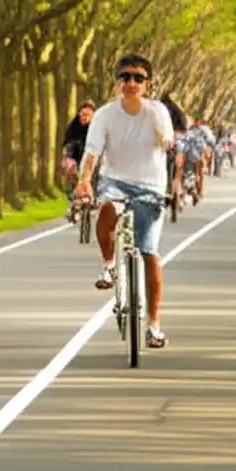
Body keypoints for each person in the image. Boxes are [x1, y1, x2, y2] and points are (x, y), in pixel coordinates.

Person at [76, 54, 175, 349]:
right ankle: (108, 264)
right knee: (107, 208)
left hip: (151, 185)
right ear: (118, 82)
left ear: (148, 83)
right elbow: (92, 152)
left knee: (149, 252)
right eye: (125, 77)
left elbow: (167, 141)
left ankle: (154, 324)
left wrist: (162, 130)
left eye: (138, 78)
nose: (131, 83)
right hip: (115, 181)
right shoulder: (105, 114)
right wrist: (84, 180)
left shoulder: (157, 111)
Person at [61, 100, 95, 220]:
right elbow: (66, 142)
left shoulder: (96, 127)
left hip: (92, 157)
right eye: (83, 115)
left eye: (88, 115)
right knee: (69, 166)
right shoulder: (74, 126)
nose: (85, 118)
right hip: (76, 155)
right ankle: (75, 197)